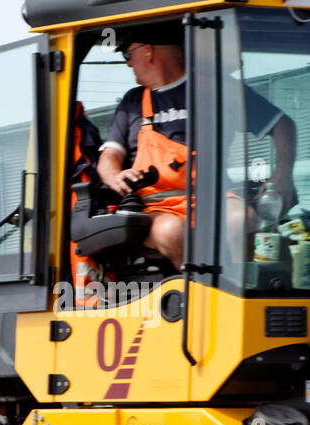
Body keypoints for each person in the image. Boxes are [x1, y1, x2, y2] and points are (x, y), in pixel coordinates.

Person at [96, 23, 296, 270]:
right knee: (172, 231)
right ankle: (199, 294)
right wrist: (116, 176)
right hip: (157, 205)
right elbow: (109, 157)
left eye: (129, 54)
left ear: (149, 51)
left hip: (213, 197)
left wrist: (283, 174)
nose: (128, 63)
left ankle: (238, 291)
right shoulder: (133, 102)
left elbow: (283, 125)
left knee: (241, 219)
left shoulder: (221, 89)